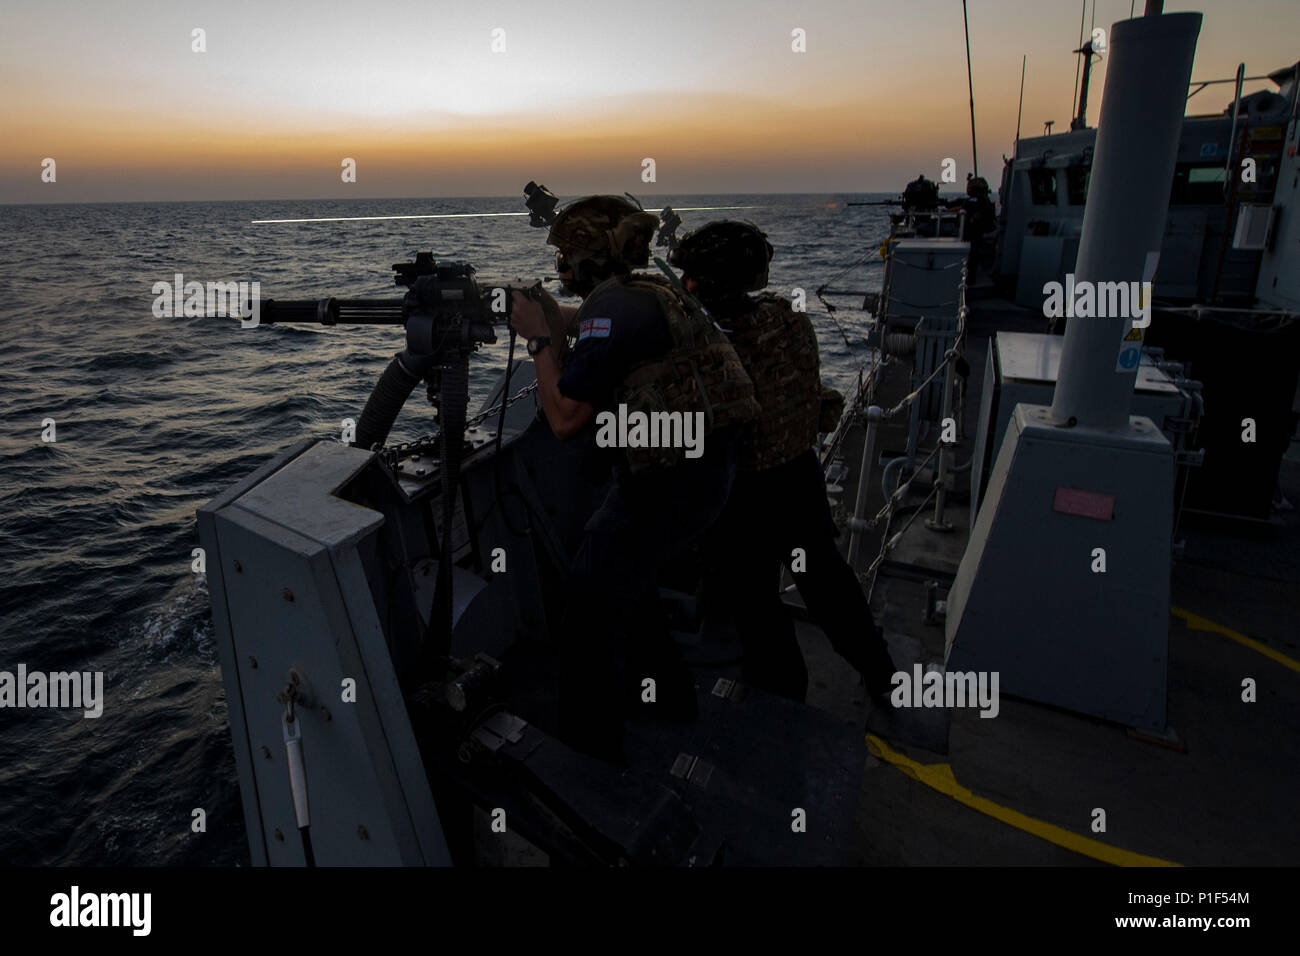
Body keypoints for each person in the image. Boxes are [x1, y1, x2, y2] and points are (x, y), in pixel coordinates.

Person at [507, 196, 758, 762]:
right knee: (631, 586)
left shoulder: (613, 308)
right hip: (706, 474)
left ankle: (591, 758)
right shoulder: (648, 291)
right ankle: (671, 698)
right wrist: (545, 311)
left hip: (666, 489)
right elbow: (590, 326)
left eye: (567, 257)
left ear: (591, 258)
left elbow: (565, 419)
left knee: (586, 609)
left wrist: (538, 338)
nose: (561, 269)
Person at [669, 221, 897, 703]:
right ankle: (881, 675)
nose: (685, 285)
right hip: (798, 480)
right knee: (828, 585)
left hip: (744, 497)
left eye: (692, 278)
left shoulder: (704, 342)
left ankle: (783, 699)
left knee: (756, 604)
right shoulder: (787, 317)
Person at [945, 174, 996, 282]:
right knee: (973, 256)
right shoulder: (983, 201)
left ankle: (969, 278)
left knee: (971, 256)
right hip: (976, 232)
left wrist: (947, 210)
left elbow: (965, 207)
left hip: (972, 233)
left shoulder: (975, 201)